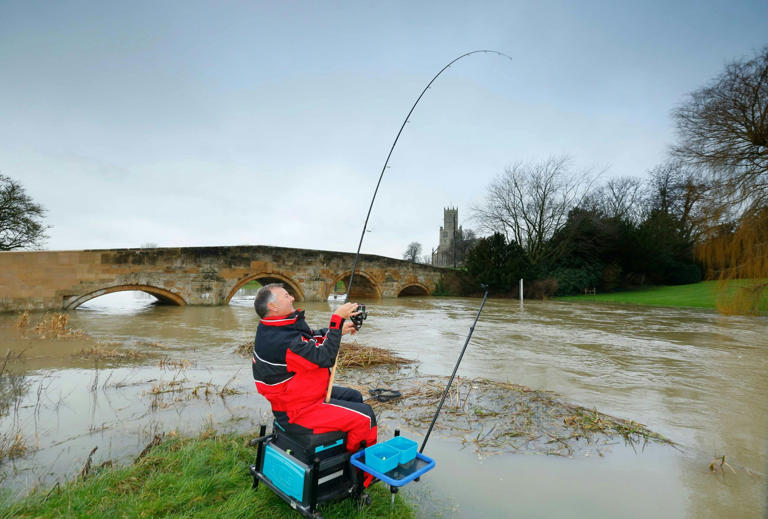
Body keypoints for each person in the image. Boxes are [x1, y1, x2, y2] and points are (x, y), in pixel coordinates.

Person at [251, 283, 377, 452]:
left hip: (302, 394)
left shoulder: (275, 327)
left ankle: (346, 448)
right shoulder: (282, 340)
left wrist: (337, 331)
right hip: (297, 410)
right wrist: (337, 319)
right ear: (273, 306)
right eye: (286, 295)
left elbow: (309, 338)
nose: (293, 297)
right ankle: (360, 473)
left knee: (354, 396)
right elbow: (325, 357)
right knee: (366, 417)